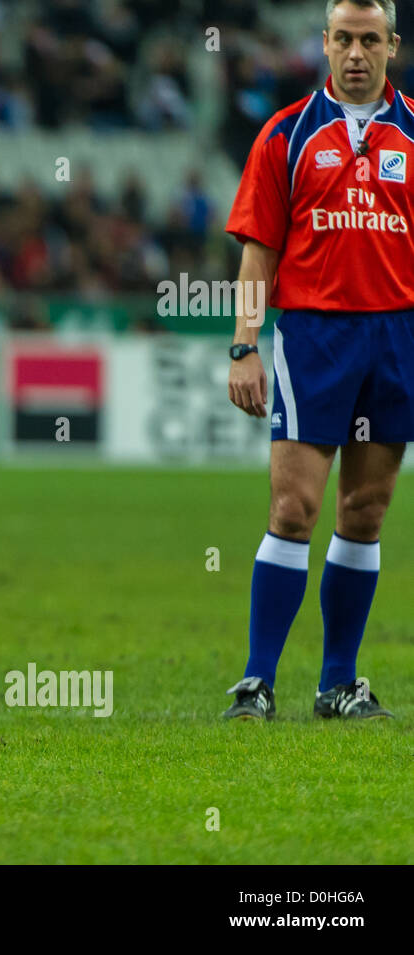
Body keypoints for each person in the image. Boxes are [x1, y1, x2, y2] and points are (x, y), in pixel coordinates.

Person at [224, 0, 409, 721]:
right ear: (324, 45)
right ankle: (256, 682)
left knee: (365, 512)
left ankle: (338, 683)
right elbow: (258, 250)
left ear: (392, 45)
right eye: (343, 39)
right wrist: (244, 343)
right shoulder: (287, 134)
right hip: (314, 336)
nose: (356, 53)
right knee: (293, 507)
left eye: (370, 39)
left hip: (397, 337)